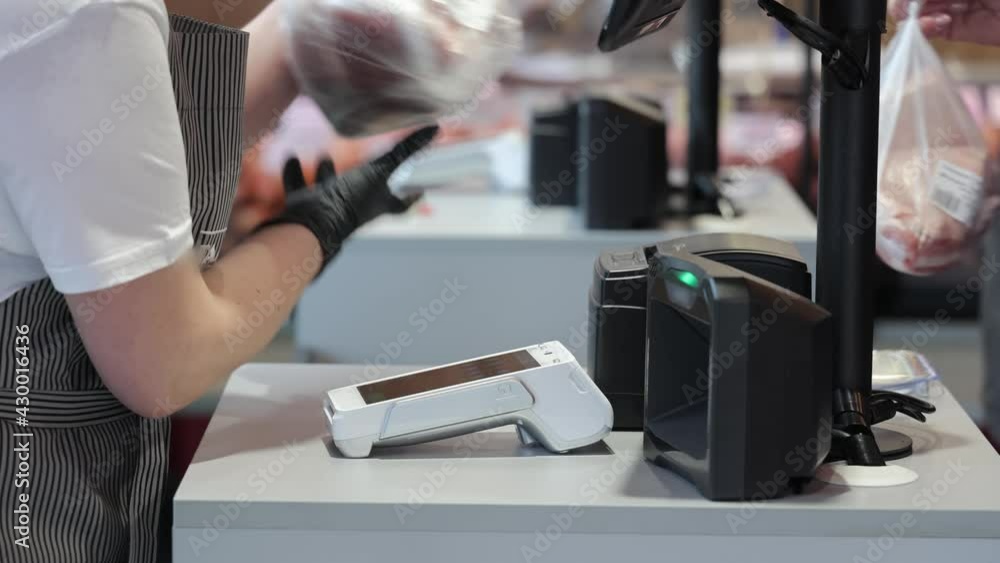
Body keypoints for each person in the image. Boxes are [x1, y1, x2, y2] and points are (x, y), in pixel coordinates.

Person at [0, 0, 445, 561]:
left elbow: (135, 156)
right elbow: (165, 361)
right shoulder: (89, 17)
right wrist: (316, 226)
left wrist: (302, 37)